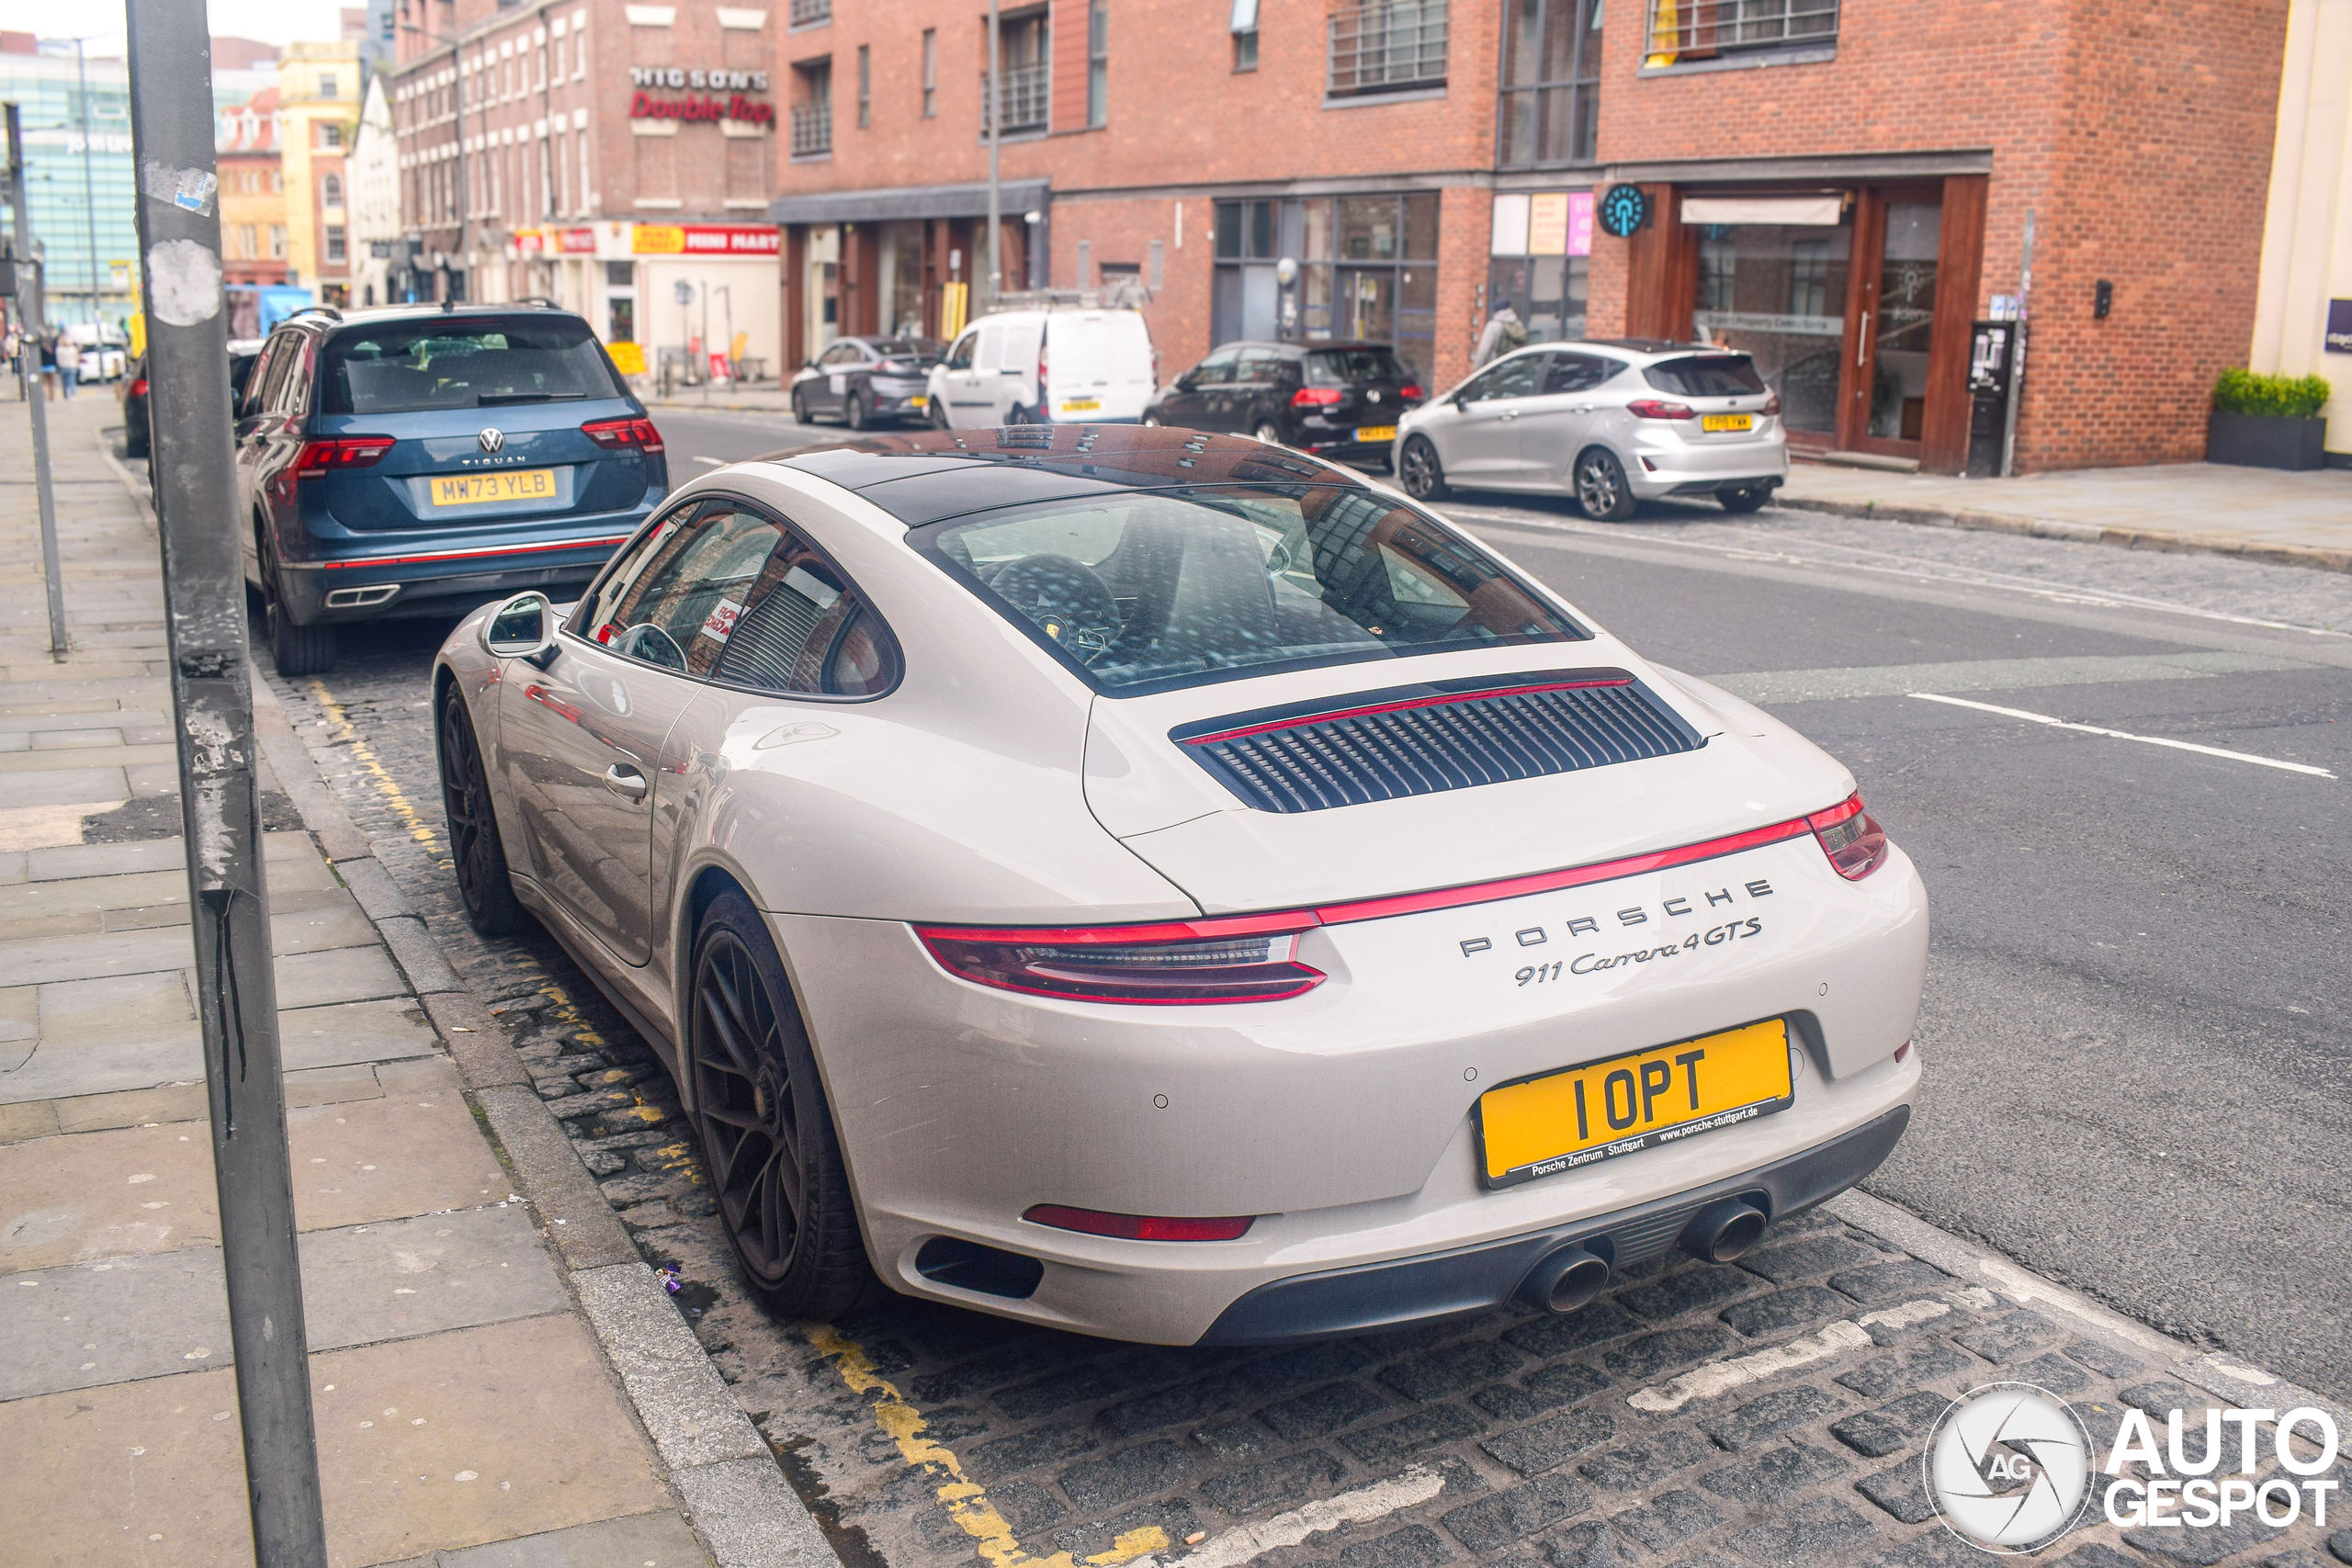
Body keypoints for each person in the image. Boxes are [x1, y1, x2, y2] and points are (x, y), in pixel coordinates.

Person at [1474, 298, 1527, 368]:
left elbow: (1483, 351)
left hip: (1499, 369)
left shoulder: (1493, 325)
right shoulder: (1518, 324)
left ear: (1495, 312)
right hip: (1517, 368)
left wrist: (1477, 369)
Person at [55, 332, 79, 400]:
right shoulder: (73, 349)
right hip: (72, 366)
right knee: (72, 382)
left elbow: (58, 359)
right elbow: (76, 358)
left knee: (64, 383)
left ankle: (65, 396)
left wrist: (59, 365)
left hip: (63, 366)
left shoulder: (59, 349)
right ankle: (73, 395)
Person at [37, 330, 57, 399]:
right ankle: (52, 396)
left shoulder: (41, 348)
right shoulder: (52, 348)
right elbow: (54, 358)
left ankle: (44, 396)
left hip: (43, 367)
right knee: (52, 382)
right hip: (51, 367)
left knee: (44, 382)